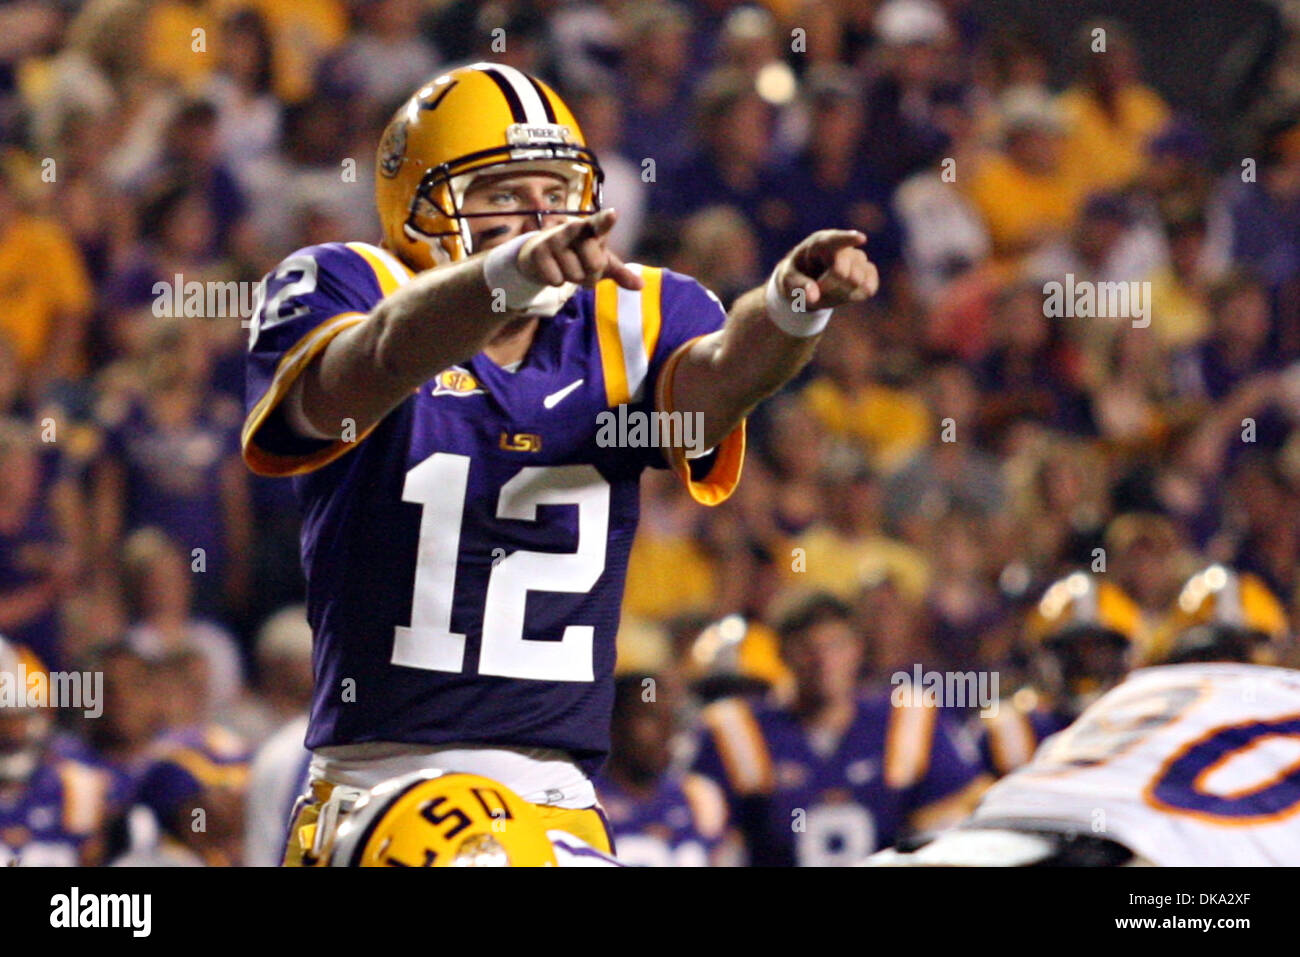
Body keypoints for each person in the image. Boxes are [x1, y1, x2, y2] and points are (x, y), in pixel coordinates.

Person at [240, 62, 879, 865]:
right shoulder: (345, 283)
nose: (541, 217)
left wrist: (789, 309)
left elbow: (714, 383)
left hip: (561, 800)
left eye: (557, 190)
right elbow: (365, 367)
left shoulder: (634, 313)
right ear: (421, 204)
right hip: (390, 785)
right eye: (505, 192)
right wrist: (500, 282)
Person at [870, 565, 1299, 866]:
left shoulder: (1144, 694)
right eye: (1209, 655)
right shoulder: (1022, 723)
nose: (1088, 666)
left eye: (1239, 653)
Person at [691, 592, 989, 865]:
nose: (824, 661)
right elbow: (706, 848)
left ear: (857, 649)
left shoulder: (909, 720)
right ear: (781, 654)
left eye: (836, 645)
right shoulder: (736, 732)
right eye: (807, 648)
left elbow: (956, 839)